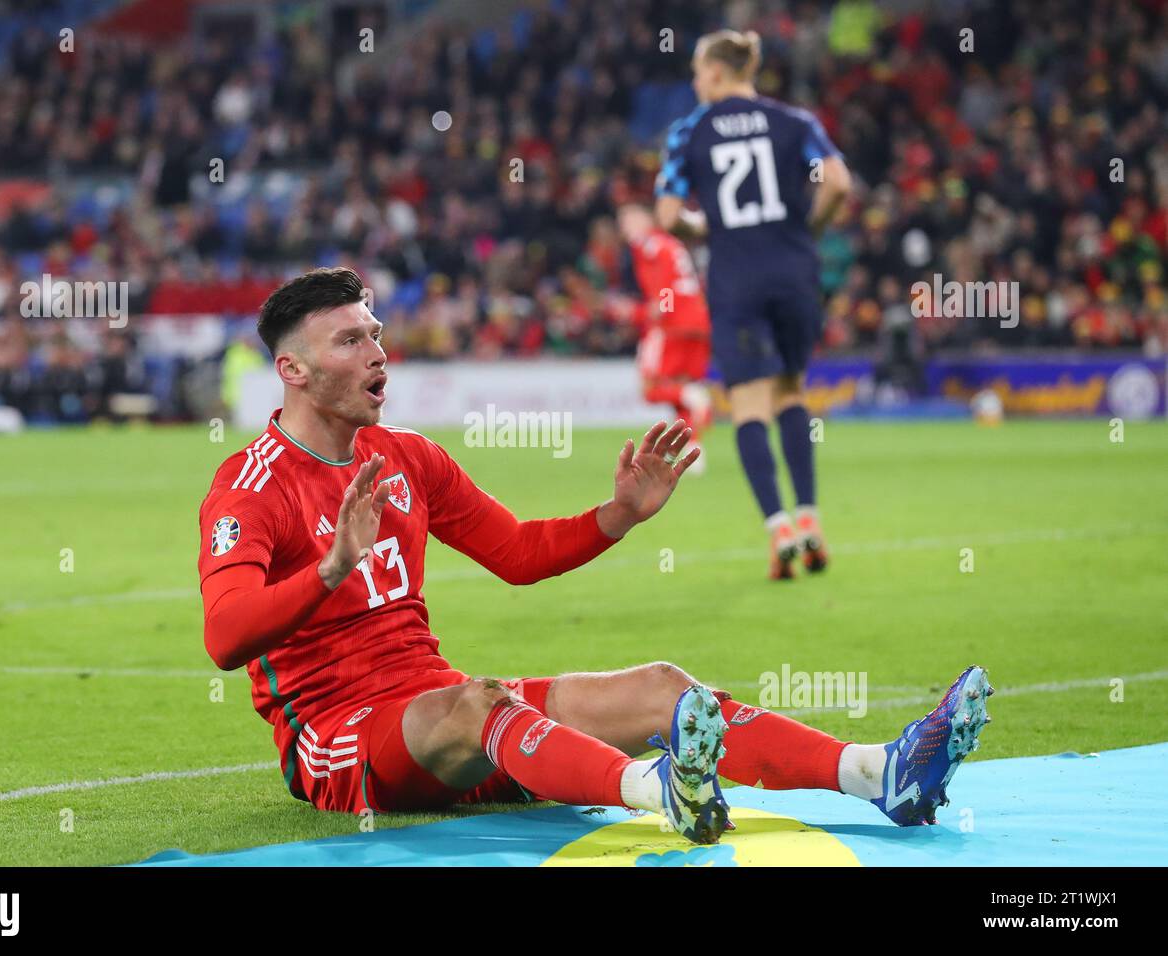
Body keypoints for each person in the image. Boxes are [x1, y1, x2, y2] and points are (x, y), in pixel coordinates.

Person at [197, 267, 990, 845]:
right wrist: (331, 567)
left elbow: (514, 552)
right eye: (351, 339)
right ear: (292, 370)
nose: (379, 353)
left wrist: (616, 516)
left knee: (667, 692)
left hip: (441, 712)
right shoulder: (249, 488)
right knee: (479, 705)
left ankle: (881, 774)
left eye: (375, 332)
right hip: (339, 741)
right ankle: (659, 793)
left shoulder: (407, 456)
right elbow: (226, 638)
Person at [655, 30, 852, 579]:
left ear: (716, 72)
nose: (696, 82)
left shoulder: (688, 132)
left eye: (697, 72)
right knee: (792, 393)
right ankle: (811, 520)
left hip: (736, 279)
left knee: (747, 406)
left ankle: (779, 530)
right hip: (794, 273)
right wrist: (807, 228)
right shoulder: (796, 122)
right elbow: (837, 181)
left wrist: (706, 227)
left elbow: (670, 217)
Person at [617, 202, 713, 474]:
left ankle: (693, 394)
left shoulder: (649, 244)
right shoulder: (672, 244)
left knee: (652, 388)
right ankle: (695, 449)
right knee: (679, 392)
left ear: (641, 221)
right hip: (698, 321)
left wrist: (647, 311)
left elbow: (663, 294)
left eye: (627, 222)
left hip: (673, 325)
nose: (624, 230)